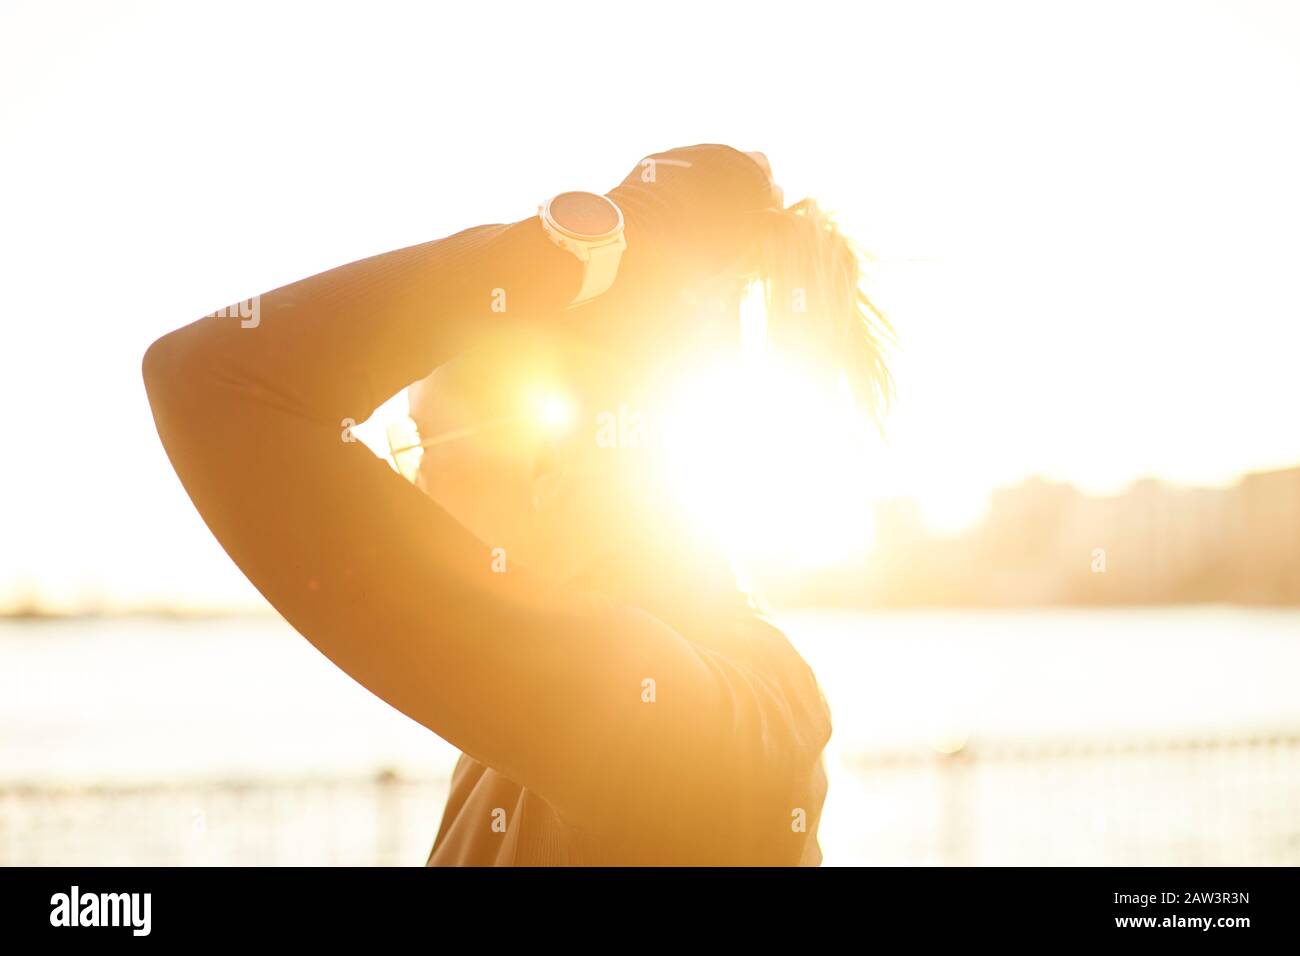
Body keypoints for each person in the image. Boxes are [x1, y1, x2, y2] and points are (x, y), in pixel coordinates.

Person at [142, 144, 892, 865]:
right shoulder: (564, 718)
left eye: (424, 444)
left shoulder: (700, 716)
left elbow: (208, 379)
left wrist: (581, 243)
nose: (408, 483)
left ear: (545, 455)